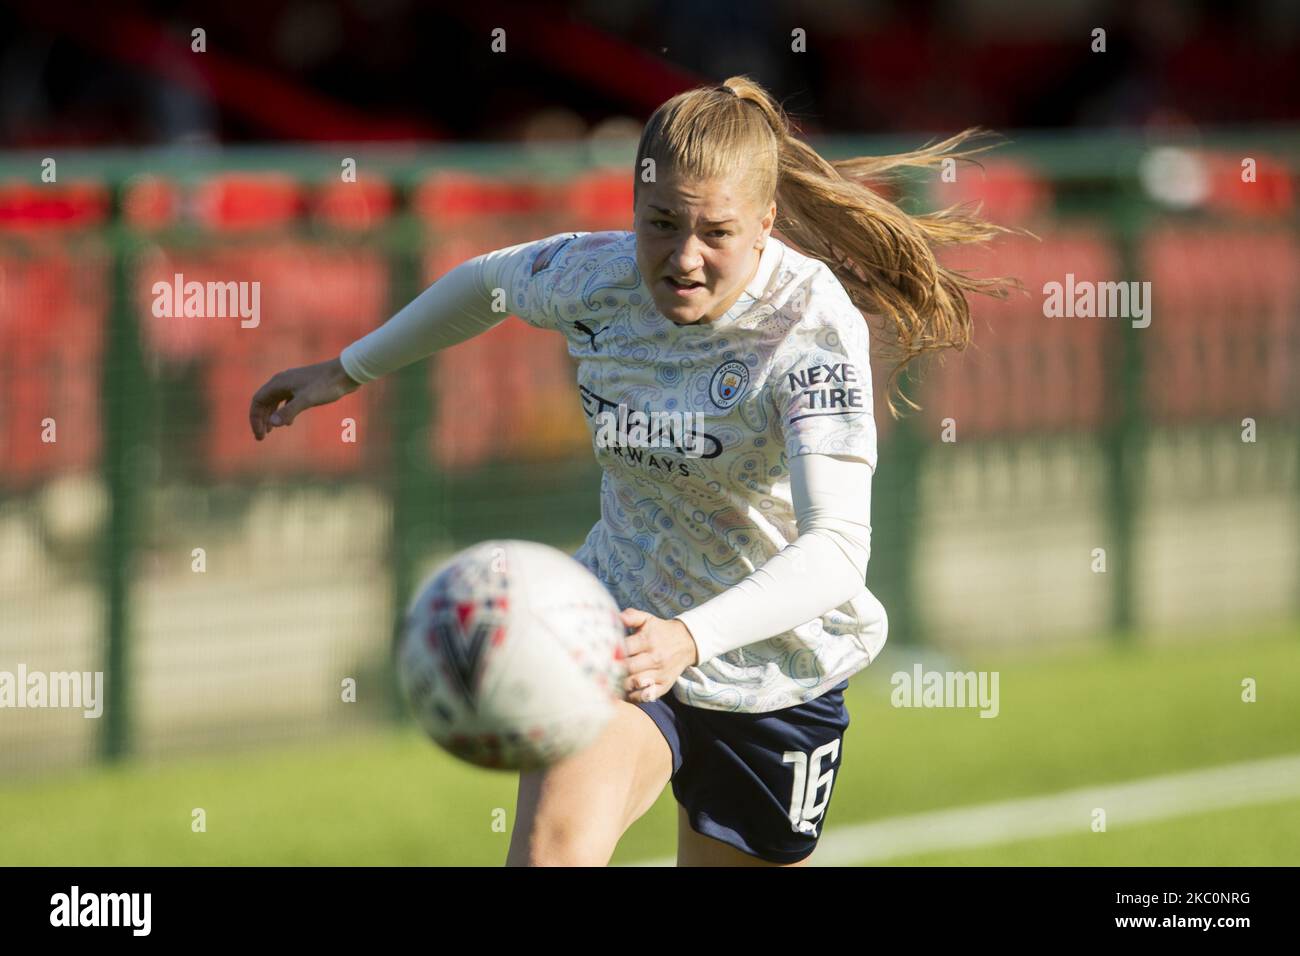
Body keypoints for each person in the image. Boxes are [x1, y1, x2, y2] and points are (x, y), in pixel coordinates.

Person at [248, 75, 1012, 867]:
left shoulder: (810, 329)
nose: (683, 257)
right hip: (617, 630)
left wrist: (693, 636)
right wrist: (346, 371)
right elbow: (487, 282)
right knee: (551, 856)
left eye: (715, 232)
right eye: (660, 224)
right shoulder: (597, 277)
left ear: (765, 224)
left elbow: (838, 550)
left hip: (775, 667)